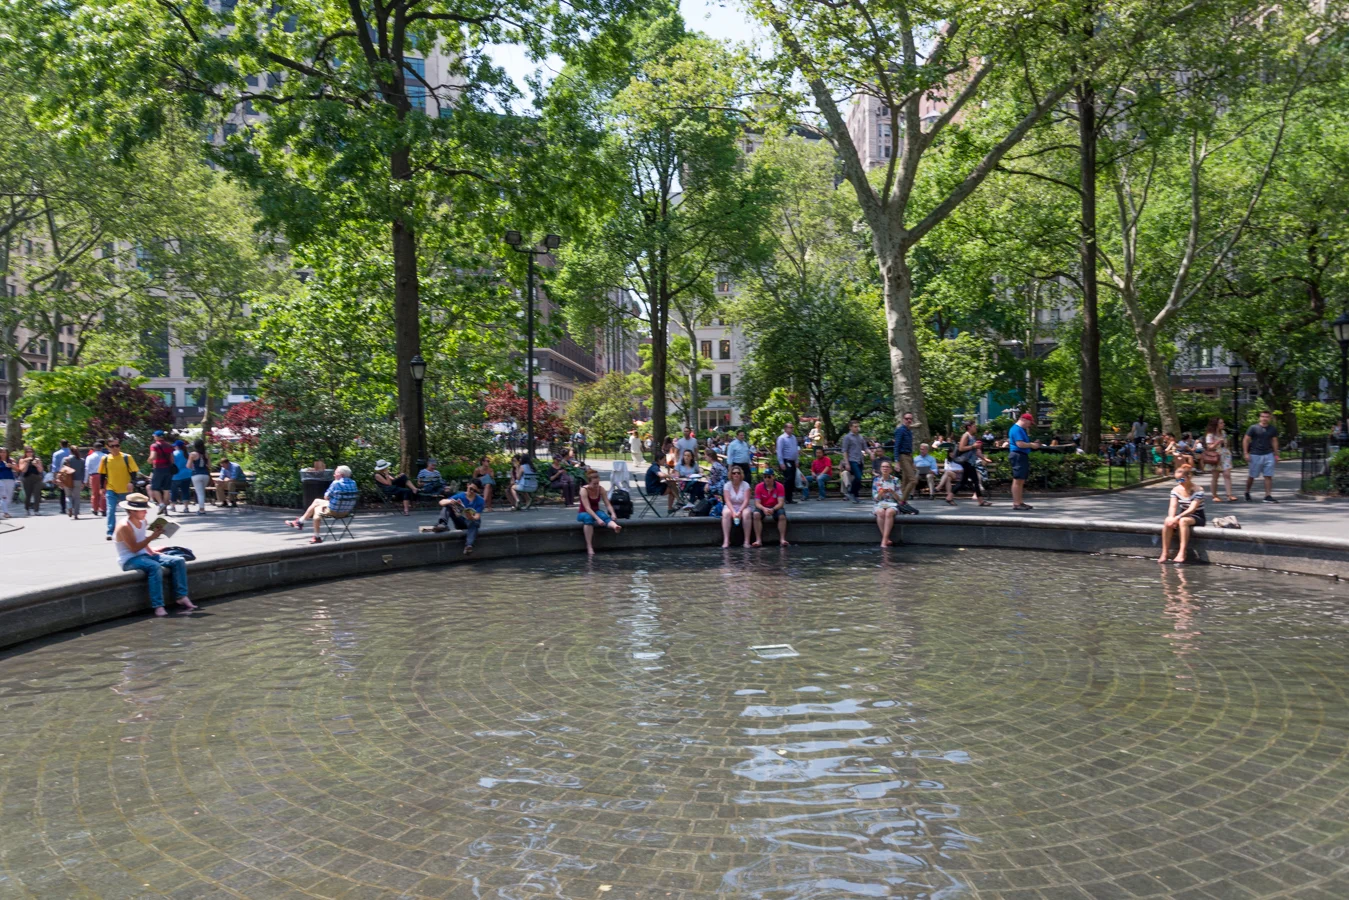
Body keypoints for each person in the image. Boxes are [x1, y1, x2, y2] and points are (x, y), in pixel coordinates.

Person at [114, 492, 197, 616]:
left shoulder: (143, 521)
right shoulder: (124, 526)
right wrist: (152, 537)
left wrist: (151, 550)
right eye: (142, 510)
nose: (146, 512)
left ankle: (181, 596)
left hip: (144, 555)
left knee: (178, 560)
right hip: (129, 559)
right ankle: (158, 606)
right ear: (132, 511)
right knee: (154, 567)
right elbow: (134, 548)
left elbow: (141, 538)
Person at [286, 465, 359, 543]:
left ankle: (316, 536)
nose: (334, 475)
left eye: (335, 473)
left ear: (341, 475)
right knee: (317, 501)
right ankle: (300, 522)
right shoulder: (353, 483)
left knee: (317, 508)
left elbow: (326, 497)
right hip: (346, 512)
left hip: (334, 511)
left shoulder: (336, 483)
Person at [1160, 465, 1205, 565]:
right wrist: (1172, 518)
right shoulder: (1175, 490)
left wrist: (1178, 517)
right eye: (1177, 480)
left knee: (1183, 521)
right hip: (1182, 515)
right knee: (1167, 520)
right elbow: (1173, 506)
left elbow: (1192, 509)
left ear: (1189, 477)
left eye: (1182, 479)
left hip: (1196, 516)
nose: (1180, 482)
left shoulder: (1198, 490)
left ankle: (1182, 552)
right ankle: (1165, 552)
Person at [99, 439, 139, 539]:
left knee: (130, 511)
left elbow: (133, 471)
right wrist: (101, 487)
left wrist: (131, 482)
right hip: (111, 488)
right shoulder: (105, 459)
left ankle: (134, 529)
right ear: (108, 447)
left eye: (117, 445)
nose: (115, 448)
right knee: (111, 510)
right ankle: (110, 532)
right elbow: (102, 474)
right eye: (112, 446)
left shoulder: (127, 457)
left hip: (125, 489)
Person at [577, 468, 623, 555]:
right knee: (588, 518)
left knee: (604, 515)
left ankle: (615, 527)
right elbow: (587, 508)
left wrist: (613, 513)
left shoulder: (601, 489)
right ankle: (589, 546)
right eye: (594, 484)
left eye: (598, 483)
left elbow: (607, 504)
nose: (596, 485)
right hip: (583, 512)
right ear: (589, 482)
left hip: (596, 511)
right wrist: (597, 519)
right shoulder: (584, 490)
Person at [947, 421, 992, 507]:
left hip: (971, 462)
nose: (976, 428)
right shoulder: (966, 435)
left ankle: (949, 497)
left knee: (963, 482)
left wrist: (984, 458)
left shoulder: (973, 437)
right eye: (974, 426)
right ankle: (981, 501)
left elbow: (975, 452)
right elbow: (961, 448)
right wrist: (973, 446)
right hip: (967, 462)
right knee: (975, 481)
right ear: (969, 427)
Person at [436, 480, 486, 555]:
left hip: (471, 521)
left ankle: (468, 545)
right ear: (467, 485)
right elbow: (441, 502)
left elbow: (477, 516)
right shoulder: (460, 495)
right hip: (460, 520)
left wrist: (472, 517)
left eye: (475, 490)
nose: (472, 491)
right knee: (447, 506)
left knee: (474, 524)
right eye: (471, 489)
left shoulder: (480, 500)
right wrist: (449, 502)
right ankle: (442, 524)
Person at [1008, 412, 1043, 511]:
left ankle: (1020, 502)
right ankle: (1016, 503)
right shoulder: (1016, 429)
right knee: (1017, 479)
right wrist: (1032, 445)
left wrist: (1032, 444)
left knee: (1021, 480)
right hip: (1018, 455)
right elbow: (1020, 444)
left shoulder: (1021, 429)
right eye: (1029, 423)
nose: (1029, 425)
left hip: (1021, 455)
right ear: (1024, 419)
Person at [1243, 410, 1279, 503]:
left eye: (1266, 417)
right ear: (1260, 417)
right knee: (1252, 476)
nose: (1264, 418)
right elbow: (1246, 439)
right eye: (1262, 416)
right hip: (1255, 454)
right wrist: (1246, 453)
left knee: (1268, 475)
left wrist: (1276, 454)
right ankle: (1247, 491)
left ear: (1269, 418)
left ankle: (1267, 495)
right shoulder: (1253, 428)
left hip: (1268, 453)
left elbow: (1274, 441)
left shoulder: (1272, 429)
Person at [752, 468, 788, 547]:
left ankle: (782, 539)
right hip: (763, 506)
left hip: (775, 506)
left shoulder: (780, 486)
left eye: (769, 477)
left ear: (773, 477)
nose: (767, 479)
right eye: (765, 477)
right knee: (756, 514)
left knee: (782, 516)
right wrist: (764, 509)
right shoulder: (759, 487)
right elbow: (757, 503)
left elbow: (781, 503)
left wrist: (773, 509)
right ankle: (758, 540)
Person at [719, 464, 753, 547]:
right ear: (731, 474)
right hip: (731, 506)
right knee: (726, 514)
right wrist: (734, 512)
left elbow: (746, 500)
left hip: (743, 506)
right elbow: (727, 500)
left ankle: (746, 541)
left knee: (746, 514)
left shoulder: (746, 485)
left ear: (741, 474)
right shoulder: (727, 485)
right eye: (734, 473)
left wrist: (740, 511)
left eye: (738, 473)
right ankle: (726, 540)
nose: (736, 475)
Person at [872, 460, 901, 547]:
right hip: (880, 503)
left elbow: (900, 499)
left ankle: (884, 541)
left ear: (890, 469)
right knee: (880, 512)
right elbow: (875, 498)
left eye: (887, 467)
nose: (885, 468)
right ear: (880, 469)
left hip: (892, 503)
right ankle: (886, 539)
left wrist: (893, 492)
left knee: (889, 512)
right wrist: (881, 493)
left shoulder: (896, 480)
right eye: (883, 467)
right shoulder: (876, 480)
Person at [893, 412, 919, 505]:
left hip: (909, 456)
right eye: (907, 418)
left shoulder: (909, 431)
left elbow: (910, 447)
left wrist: (912, 461)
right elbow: (896, 446)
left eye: (910, 419)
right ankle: (902, 501)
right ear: (903, 419)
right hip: (902, 456)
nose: (909, 420)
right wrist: (896, 461)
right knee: (913, 480)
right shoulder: (900, 430)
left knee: (905, 480)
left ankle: (901, 500)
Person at [147, 431, 176, 515]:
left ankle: (161, 504)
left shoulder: (154, 446)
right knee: (166, 489)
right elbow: (172, 459)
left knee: (155, 488)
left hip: (159, 469)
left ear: (157, 437)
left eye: (154, 436)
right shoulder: (169, 446)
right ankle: (165, 507)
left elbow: (153, 456)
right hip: (168, 469)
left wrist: (149, 460)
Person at [841, 420, 867, 503]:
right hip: (852, 460)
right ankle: (850, 492)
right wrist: (847, 463)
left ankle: (855, 496)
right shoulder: (847, 437)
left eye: (857, 426)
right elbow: (844, 451)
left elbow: (865, 448)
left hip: (860, 460)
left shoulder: (860, 437)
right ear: (850, 427)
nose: (857, 428)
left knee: (858, 479)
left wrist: (871, 453)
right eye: (855, 426)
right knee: (858, 476)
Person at [57, 447, 85, 519]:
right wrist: (83, 482)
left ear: (70, 451)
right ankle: (76, 514)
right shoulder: (81, 460)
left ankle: (69, 507)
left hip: (67, 480)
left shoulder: (66, 459)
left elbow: (62, 470)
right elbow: (83, 472)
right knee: (77, 498)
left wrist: (60, 481)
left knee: (68, 496)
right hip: (78, 480)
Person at [17, 447, 44, 516]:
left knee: (37, 494)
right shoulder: (22, 460)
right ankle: (27, 509)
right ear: (25, 453)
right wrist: (27, 462)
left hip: (37, 478)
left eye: (31, 451)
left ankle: (36, 510)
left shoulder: (37, 459)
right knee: (27, 495)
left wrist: (37, 465)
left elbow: (41, 470)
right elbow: (22, 470)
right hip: (27, 478)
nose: (29, 453)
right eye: (28, 452)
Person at [84, 440, 108, 517]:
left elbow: (87, 468)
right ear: (101, 448)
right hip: (103, 476)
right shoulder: (105, 456)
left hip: (93, 476)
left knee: (94, 493)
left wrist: (85, 479)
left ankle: (95, 509)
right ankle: (103, 509)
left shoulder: (89, 457)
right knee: (103, 493)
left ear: (94, 448)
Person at [188, 442, 212, 514]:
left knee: (200, 492)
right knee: (202, 492)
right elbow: (209, 465)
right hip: (205, 475)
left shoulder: (193, 454)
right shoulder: (206, 454)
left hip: (196, 474)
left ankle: (201, 509)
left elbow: (188, 466)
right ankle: (202, 508)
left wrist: (193, 467)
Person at [171, 440, 194, 513]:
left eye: (174, 446)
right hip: (187, 475)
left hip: (175, 476)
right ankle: (186, 507)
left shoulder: (174, 454)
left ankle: (173, 506)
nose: (174, 447)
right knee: (185, 491)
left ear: (177, 446)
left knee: (174, 492)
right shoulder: (187, 454)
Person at [50, 440, 72, 514]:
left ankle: (63, 508)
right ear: (68, 444)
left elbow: (54, 466)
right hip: (71, 473)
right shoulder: (71, 453)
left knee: (62, 491)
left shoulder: (56, 454)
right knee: (71, 491)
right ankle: (72, 507)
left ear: (60, 444)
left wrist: (55, 477)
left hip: (62, 473)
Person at [0, 447, 15, 518]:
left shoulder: (11, 460)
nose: (3, 454)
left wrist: (11, 466)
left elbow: (18, 469)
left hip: (10, 479)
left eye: (4, 452)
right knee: (4, 496)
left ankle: (4, 509)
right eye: (1, 452)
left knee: (9, 497)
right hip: (1, 480)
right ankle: (6, 513)